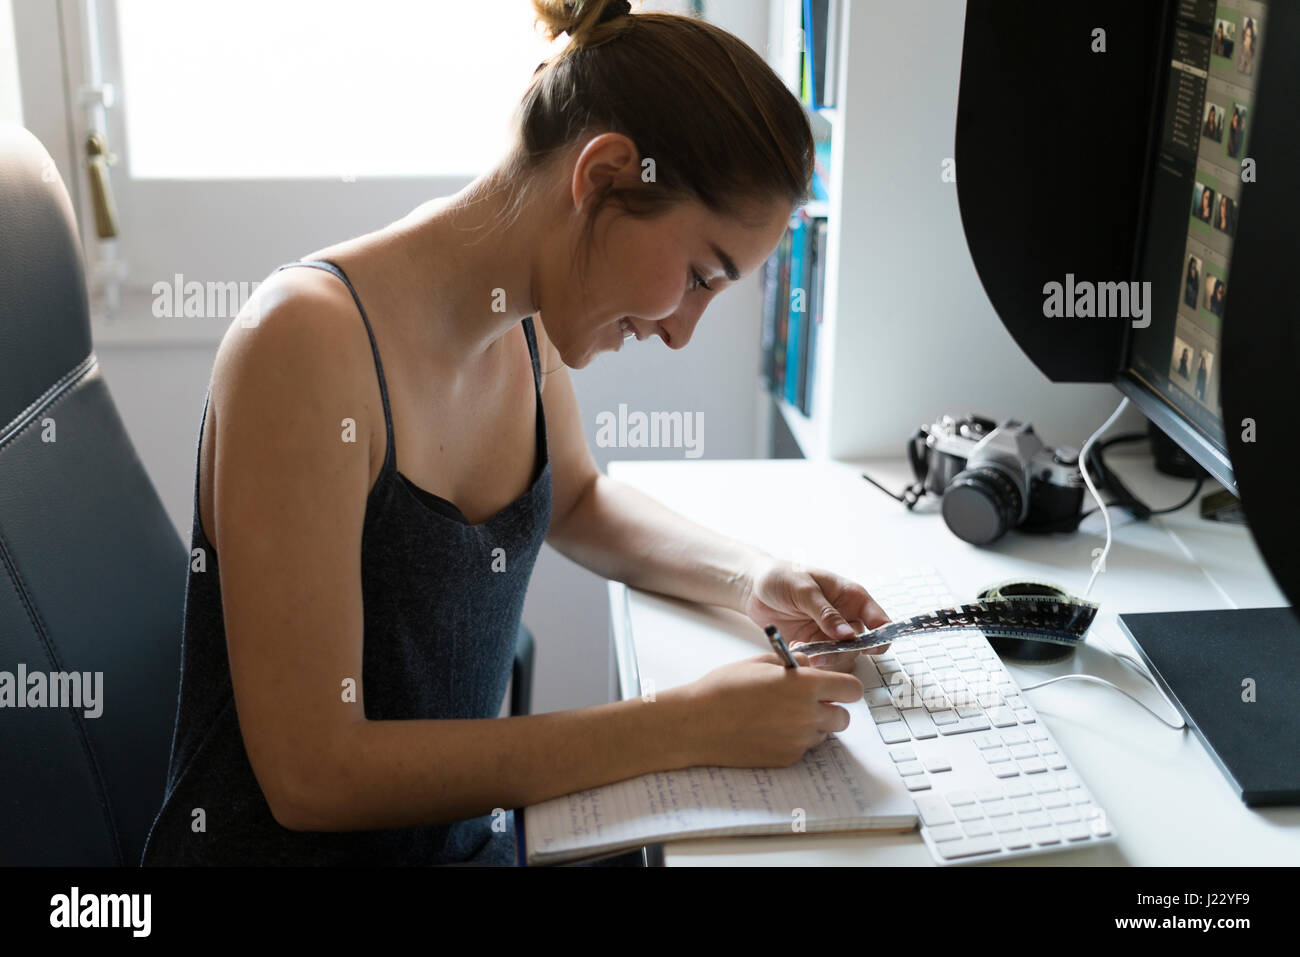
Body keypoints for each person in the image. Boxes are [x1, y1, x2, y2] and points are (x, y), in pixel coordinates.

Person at [140, 0, 887, 867]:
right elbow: (312, 772)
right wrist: (683, 726)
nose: (683, 331)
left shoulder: (524, 321)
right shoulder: (303, 346)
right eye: (695, 275)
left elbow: (577, 499)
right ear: (603, 175)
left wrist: (755, 577)